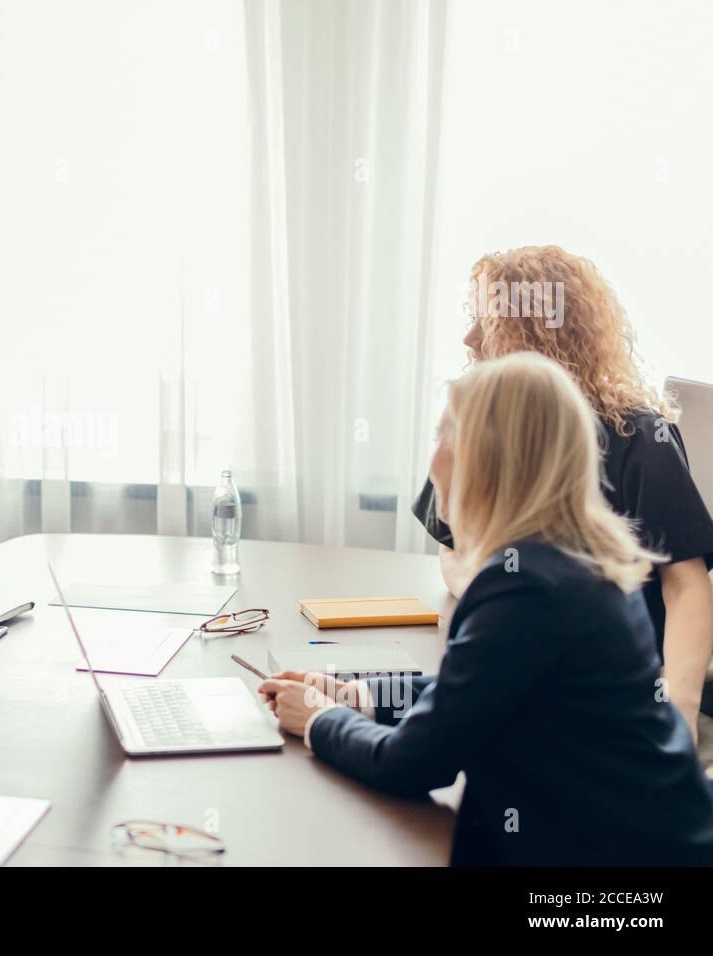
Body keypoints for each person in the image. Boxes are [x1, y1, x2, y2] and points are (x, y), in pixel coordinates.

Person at [262, 353, 713, 865]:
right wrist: (360, 694)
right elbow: (484, 690)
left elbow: (412, 763)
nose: (432, 460)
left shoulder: (523, 586)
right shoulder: (576, 560)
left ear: (485, 458)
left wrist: (322, 717)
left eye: (442, 439)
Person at [414, 245, 713, 742]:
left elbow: (687, 586)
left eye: (485, 322)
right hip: (519, 672)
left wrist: (676, 710)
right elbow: (451, 549)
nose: (468, 338)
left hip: (616, 690)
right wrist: (504, 610)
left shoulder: (641, 437)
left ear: (536, 334)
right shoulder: (478, 429)